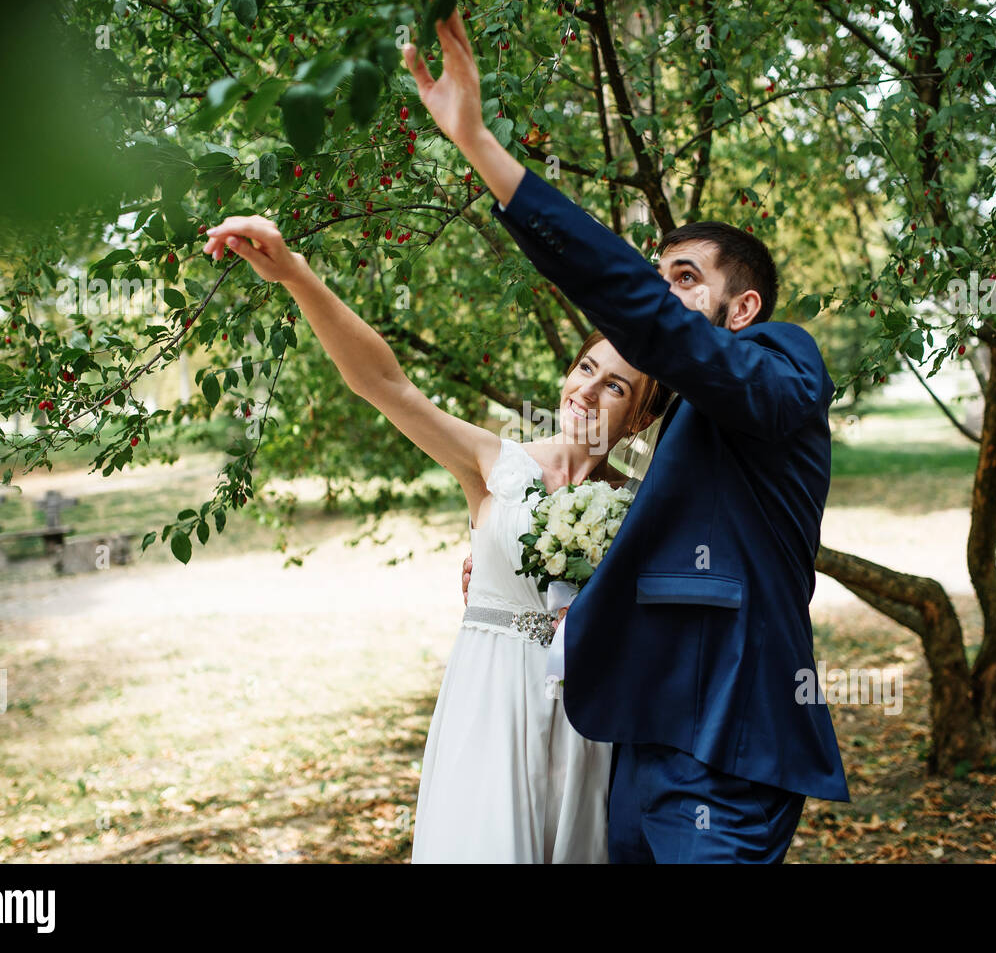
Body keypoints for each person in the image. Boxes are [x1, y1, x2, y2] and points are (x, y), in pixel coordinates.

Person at [410, 10, 850, 863]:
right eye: (660, 278)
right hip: (637, 751)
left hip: (727, 751)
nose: (660, 297)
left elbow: (649, 320)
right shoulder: (682, 417)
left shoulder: (780, 362)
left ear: (743, 308)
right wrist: (532, 556)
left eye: (684, 280)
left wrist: (484, 153)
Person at [199, 218, 669, 861]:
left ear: (641, 416)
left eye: (614, 385)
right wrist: (296, 276)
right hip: (488, 699)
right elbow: (384, 385)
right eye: (585, 366)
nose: (586, 389)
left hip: (582, 726)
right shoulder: (493, 463)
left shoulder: (641, 510)